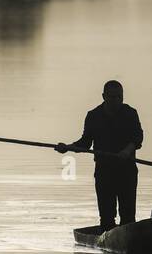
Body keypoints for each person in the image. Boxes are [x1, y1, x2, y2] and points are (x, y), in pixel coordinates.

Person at [56, 80, 143, 229]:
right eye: (112, 97)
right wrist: (68, 148)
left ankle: (127, 243)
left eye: (119, 97)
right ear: (104, 96)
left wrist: (127, 151)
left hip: (126, 171)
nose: (116, 100)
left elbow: (137, 138)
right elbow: (85, 143)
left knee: (128, 217)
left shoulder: (130, 113)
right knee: (107, 218)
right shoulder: (93, 116)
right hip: (104, 172)